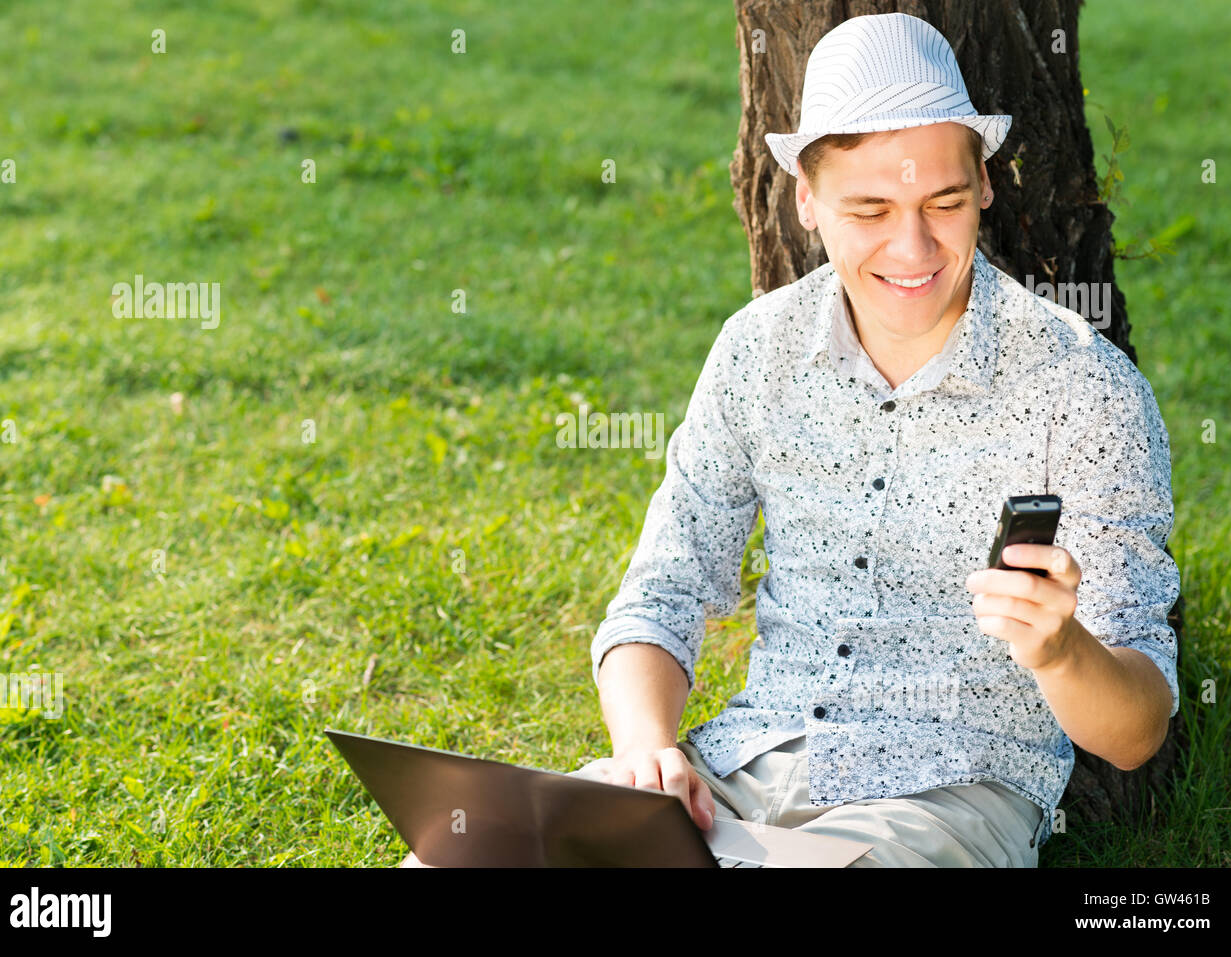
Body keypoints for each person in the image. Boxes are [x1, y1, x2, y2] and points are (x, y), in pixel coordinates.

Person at [403, 12, 1179, 868]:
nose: (912, 246)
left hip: (941, 800)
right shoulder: (758, 348)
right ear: (806, 202)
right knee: (454, 854)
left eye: (943, 203)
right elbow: (660, 590)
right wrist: (646, 749)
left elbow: (1137, 732)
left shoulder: (1083, 385)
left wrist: (1061, 649)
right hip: (738, 768)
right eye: (870, 209)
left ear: (985, 185)